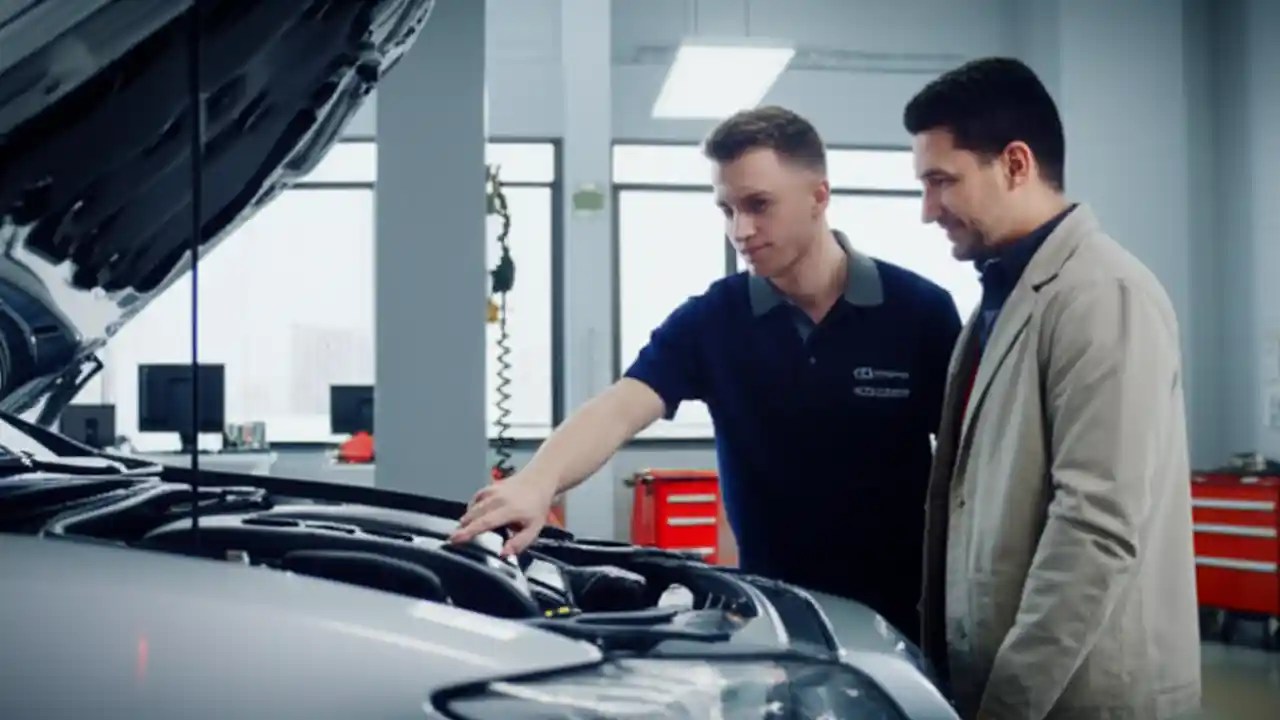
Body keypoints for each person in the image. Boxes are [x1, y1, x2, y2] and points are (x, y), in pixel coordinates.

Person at [451, 105, 962, 641]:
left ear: (819, 196)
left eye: (759, 205)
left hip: (906, 617)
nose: (740, 230)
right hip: (773, 615)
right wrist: (538, 481)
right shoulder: (715, 319)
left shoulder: (919, 312)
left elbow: (968, 469)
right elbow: (621, 406)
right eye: (727, 209)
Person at [904, 57, 1201, 719]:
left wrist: (1005, 705)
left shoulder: (1102, 294)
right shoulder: (1001, 299)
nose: (928, 210)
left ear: (1015, 164)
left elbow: (1095, 528)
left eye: (941, 181)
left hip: (1082, 697)